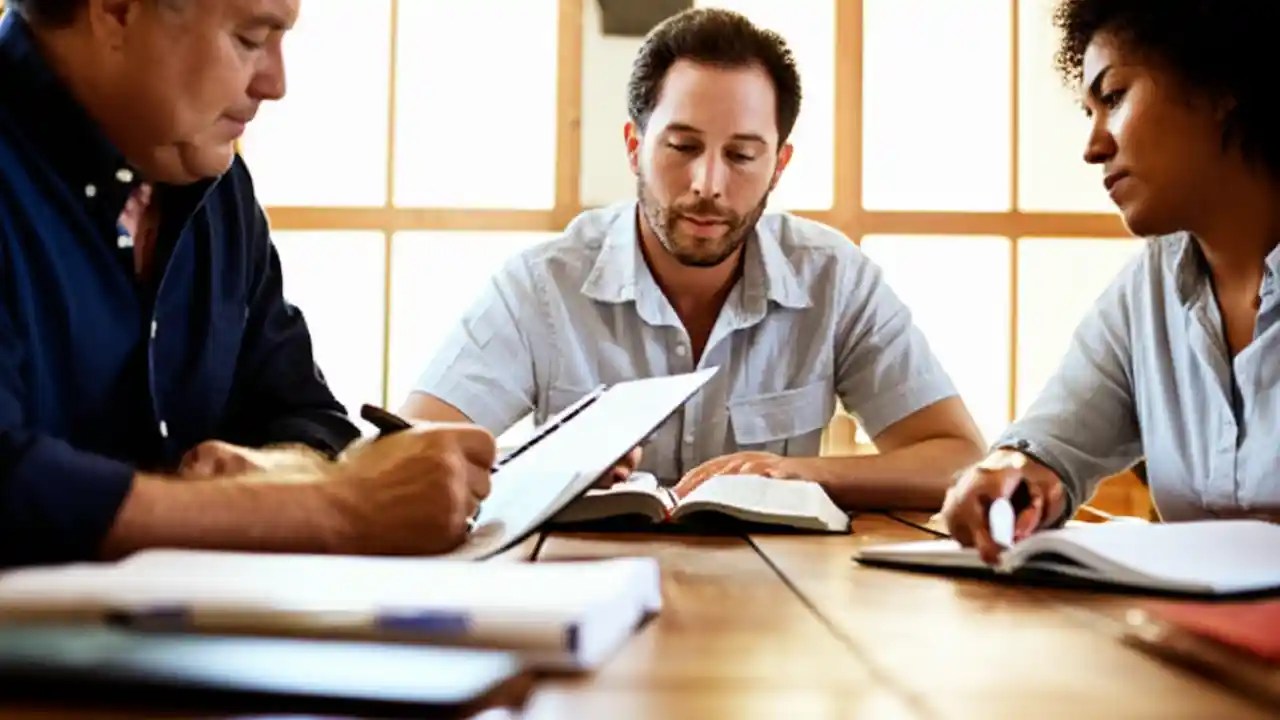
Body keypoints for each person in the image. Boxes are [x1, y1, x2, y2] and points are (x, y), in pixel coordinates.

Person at [402, 8, 986, 510]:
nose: (708, 183)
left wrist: (798, 474)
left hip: (777, 593)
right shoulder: (541, 285)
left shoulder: (835, 278)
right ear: (635, 147)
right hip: (582, 582)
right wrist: (546, 467)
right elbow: (409, 451)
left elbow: (958, 459)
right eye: (682, 147)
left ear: (778, 166)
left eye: (742, 155)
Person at [0, 0, 493, 568]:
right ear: (117, 11)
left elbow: (306, 414)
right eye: (251, 39)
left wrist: (270, 470)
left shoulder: (213, 186)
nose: (275, 84)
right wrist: (340, 510)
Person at [941, 0, 1280, 562]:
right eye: (1089, 113)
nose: (1093, 147)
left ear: (1222, 82)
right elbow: (1052, 444)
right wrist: (1008, 475)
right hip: (1194, 616)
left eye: (1115, 97)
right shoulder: (1147, 289)